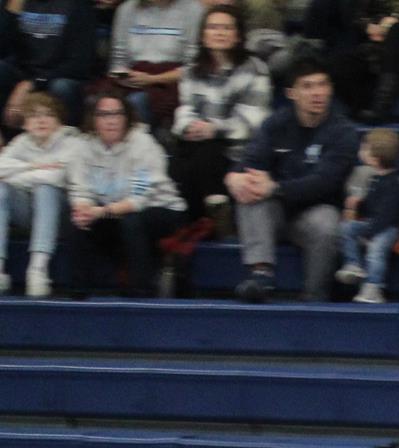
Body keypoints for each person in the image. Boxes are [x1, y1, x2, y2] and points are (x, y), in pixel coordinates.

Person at [227, 58, 358, 302]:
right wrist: (234, 176)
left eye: (322, 85)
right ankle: (261, 276)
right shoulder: (276, 123)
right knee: (249, 191)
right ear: (291, 93)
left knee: (326, 221)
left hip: (317, 209)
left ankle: (314, 294)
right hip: (276, 212)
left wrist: (275, 188)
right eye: (307, 86)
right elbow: (251, 160)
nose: (317, 93)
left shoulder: (344, 132)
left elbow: (324, 182)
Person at [66, 92, 187, 296]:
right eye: (104, 114)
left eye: (117, 114)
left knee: (132, 221)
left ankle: (141, 290)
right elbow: (79, 188)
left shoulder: (143, 144)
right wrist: (83, 208)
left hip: (160, 209)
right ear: (94, 119)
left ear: (127, 118)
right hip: (112, 211)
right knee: (78, 222)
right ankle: (77, 293)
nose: (111, 120)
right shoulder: (83, 146)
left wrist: (101, 211)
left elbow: (139, 198)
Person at [169, 3, 271, 224]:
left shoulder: (256, 69)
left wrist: (214, 129)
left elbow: (253, 121)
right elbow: (186, 107)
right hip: (200, 143)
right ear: (203, 36)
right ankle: (203, 216)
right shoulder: (191, 69)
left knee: (207, 152)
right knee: (181, 153)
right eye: (213, 27)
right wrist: (189, 126)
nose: (219, 33)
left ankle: (206, 221)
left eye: (227, 28)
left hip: (238, 149)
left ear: (238, 36)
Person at [0, 91, 76, 297]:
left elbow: (57, 177)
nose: (41, 120)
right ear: (25, 123)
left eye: (48, 114)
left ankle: (38, 269)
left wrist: (19, 173)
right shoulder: (21, 142)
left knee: (46, 189)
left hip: (64, 214)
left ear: (58, 121)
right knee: (1, 189)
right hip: (30, 212)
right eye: (34, 115)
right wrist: (34, 166)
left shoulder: (72, 141)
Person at [0, 0, 95, 128]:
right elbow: (3, 49)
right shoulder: (17, 3)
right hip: (24, 73)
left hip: (60, 76)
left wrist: (33, 83)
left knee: (61, 87)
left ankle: (67, 137)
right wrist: (10, 13)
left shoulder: (78, 5)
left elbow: (79, 63)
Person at [335, 125, 399, 302]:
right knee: (347, 228)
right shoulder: (375, 178)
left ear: (375, 159)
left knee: (376, 248)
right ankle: (353, 264)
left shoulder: (394, 184)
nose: (361, 151)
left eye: (364, 148)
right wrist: (359, 203)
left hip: (388, 228)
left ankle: (374, 286)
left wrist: (370, 232)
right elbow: (372, 205)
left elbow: (387, 215)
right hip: (373, 223)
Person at [107, 0, 202, 126]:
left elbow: (193, 67)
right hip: (132, 80)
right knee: (103, 103)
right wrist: (123, 75)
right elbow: (118, 58)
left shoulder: (193, 10)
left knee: (136, 101)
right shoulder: (127, 9)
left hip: (171, 83)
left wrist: (153, 79)